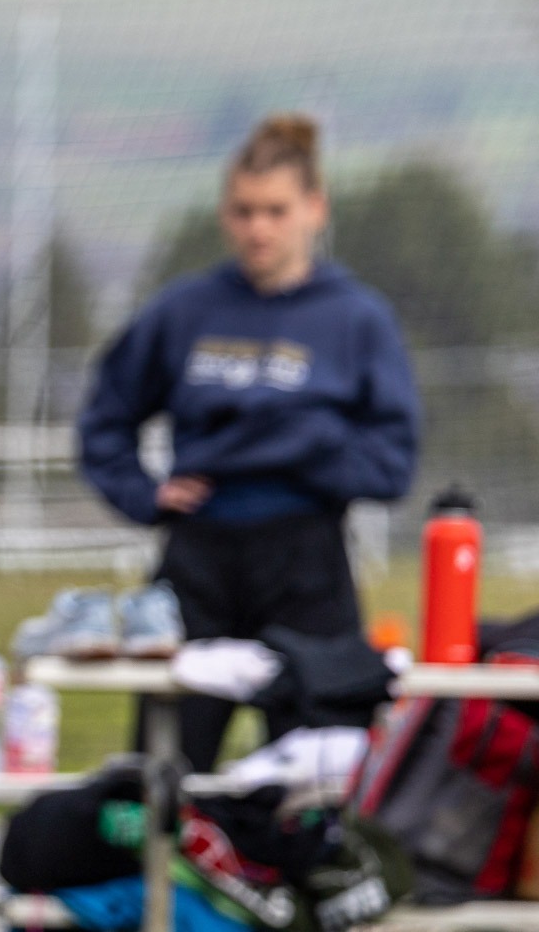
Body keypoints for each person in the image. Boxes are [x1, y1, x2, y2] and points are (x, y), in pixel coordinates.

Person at [76, 113, 421, 772]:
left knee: (318, 777)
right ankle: (159, 878)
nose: (258, 228)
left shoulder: (357, 318)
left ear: (314, 209)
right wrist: (147, 495)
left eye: (276, 210)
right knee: (164, 775)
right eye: (243, 211)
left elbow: (391, 462)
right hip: (198, 563)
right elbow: (105, 422)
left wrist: (306, 449)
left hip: (307, 565)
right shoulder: (184, 312)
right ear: (225, 213)